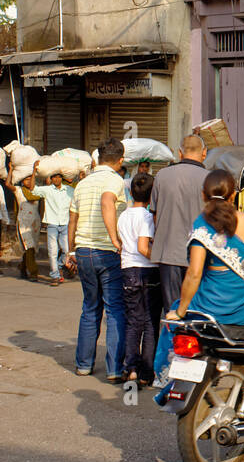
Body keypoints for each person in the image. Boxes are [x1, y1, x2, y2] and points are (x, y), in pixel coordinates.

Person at [153, 169, 244, 390]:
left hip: (210, 309)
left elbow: (194, 273)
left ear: (203, 195)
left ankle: (163, 380)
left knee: (172, 315)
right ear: (234, 195)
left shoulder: (202, 224)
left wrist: (181, 311)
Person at [66, 137, 127, 381]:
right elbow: (107, 202)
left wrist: (70, 251)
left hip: (83, 251)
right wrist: (114, 240)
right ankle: (114, 369)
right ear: (120, 160)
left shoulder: (82, 184)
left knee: (90, 307)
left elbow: (72, 219)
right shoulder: (115, 180)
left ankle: (84, 365)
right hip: (106, 252)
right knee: (114, 309)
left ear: (98, 159)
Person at [150, 134, 208, 310]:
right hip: (201, 255)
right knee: (198, 311)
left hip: (169, 254)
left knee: (172, 311)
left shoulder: (162, 176)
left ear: (180, 153)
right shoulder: (210, 179)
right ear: (204, 153)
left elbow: (154, 214)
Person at [118, 171, 161, 385]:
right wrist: (159, 258)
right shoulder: (146, 217)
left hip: (127, 270)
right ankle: (146, 373)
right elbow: (143, 247)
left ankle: (131, 368)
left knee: (133, 321)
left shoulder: (124, 215)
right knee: (150, 323)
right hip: (146, 270)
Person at [32, 170, 74, 285]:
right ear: (51, 179)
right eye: (53, 177)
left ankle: (59, 265)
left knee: (66, 250)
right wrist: (33, 172)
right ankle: (55, 276)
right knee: (53, 251)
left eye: (58, 177)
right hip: (52, 223)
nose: (56, 179)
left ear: (62, 178)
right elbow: (33, 189)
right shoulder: (47, 190)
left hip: (65, 223)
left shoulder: (69, 190)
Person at [5, 168, 41, 281]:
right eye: (26, 180)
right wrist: (11, 169)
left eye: (31, 179)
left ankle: (22, 267)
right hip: (23, 223)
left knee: (31, 249)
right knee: (29, 247)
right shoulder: (18, 190)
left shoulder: (37, 192)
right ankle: (33, 273)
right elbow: (7, 184)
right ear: (22, 181)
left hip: (35, 223)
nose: (29, 182)